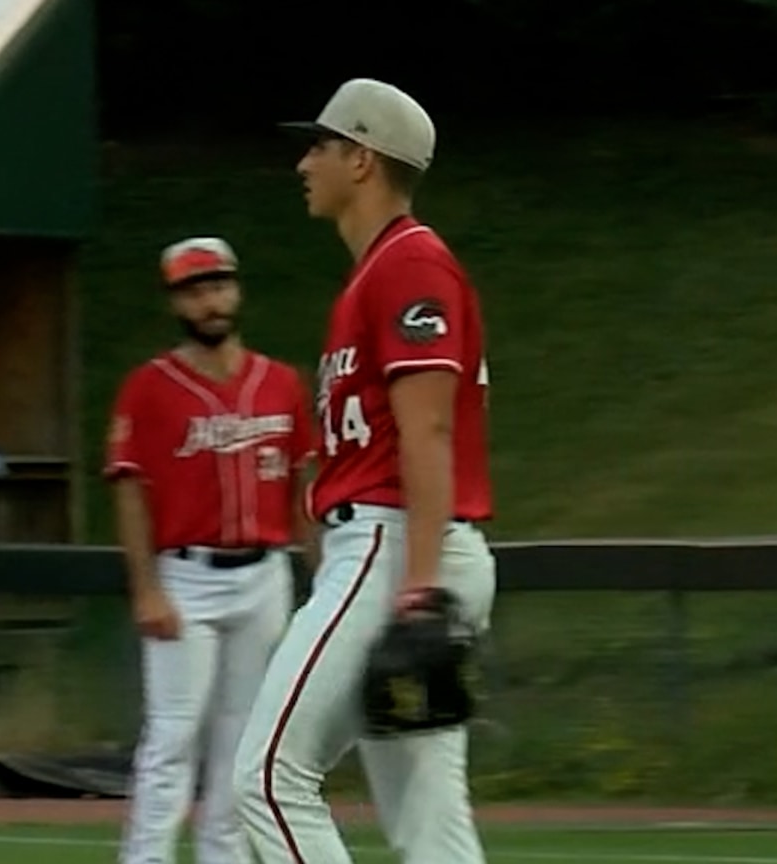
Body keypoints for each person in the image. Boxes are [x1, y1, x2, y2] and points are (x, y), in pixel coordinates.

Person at [232, 78, 497, 863]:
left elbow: (430, 432)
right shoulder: (376, 274)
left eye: (319, 144)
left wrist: (416, 591)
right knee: (430, 822)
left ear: (363, 159)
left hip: (395, 549)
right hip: (390, 547)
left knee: (270, 779)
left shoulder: (412, 266)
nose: (303, 162)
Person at [108, 236, 317, 864]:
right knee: (174, 734)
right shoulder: (148, 388)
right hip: (187, 576)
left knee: (241, 737)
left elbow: (303, 488)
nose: (211, 300)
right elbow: (129, 492)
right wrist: (146, 588)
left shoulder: (281, 383)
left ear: (237, 290)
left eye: (219, 285)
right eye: (196, 291)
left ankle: (223, 858)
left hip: (264, 573)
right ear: (176, 302)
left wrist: (324, 579)